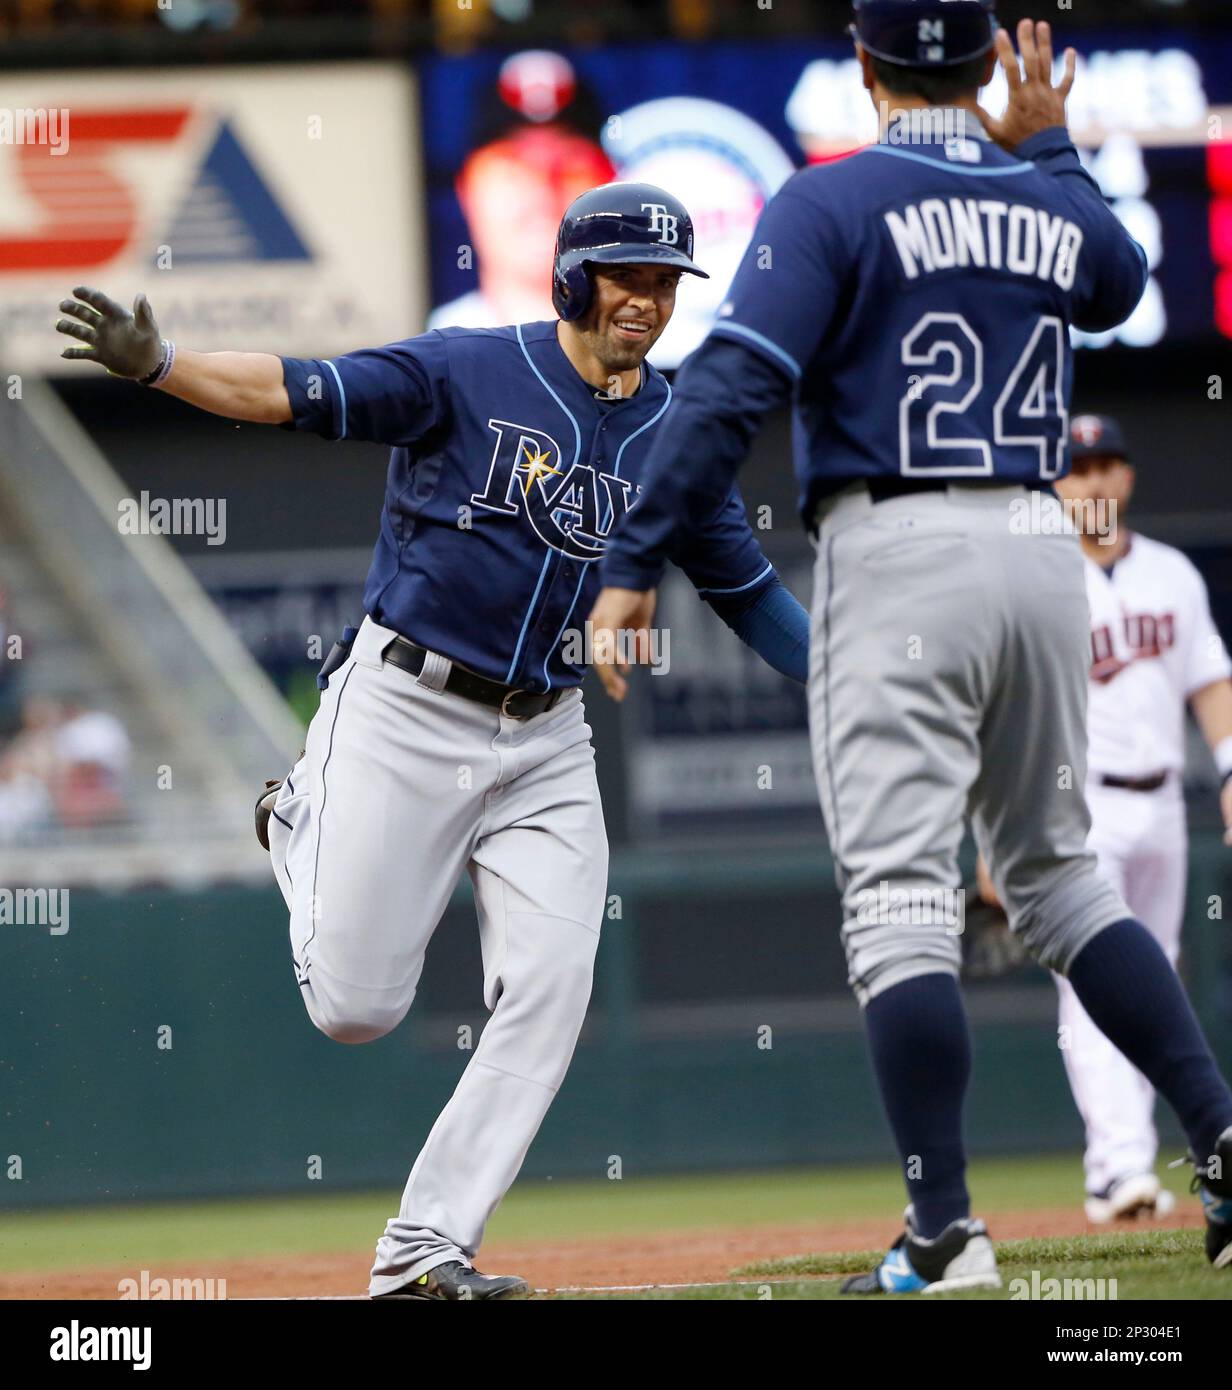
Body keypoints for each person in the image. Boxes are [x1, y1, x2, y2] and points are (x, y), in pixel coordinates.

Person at [55, 182, 810, 1300]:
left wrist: (844, 686)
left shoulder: (677, 431)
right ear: (569, 275)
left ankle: (422, 1251)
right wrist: (163, 367)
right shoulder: (467, 370)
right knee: (355, 1011)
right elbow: (289, 391)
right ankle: (292, 819)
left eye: (663, 283)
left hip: (548, 733)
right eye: (626, 277)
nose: (646, 302)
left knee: (552, 984)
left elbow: (747, 591)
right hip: (405, 705)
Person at [588, 4, 1232, 1290]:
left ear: (863, 65)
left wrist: (628, 560)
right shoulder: (1047, 196)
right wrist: (1045, 146)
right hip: (1044, 548)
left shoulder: (832, 201)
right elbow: (1118, 282)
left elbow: (723, 392)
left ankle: (943, 1229)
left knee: (898, 898)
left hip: (898, 543)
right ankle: (1219, 1139)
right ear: (992, 62)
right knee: (1057, 878)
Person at [1045, 414, 1232, 1222]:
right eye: (1077, 468)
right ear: (1055, 486)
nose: (1092, 480)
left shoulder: (1171, 575)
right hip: (1075, 807)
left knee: (1155, 973)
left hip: (1162, 803)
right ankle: (1117, 1167)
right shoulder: (1037, 579)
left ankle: (1136, 1159)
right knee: (1093, 983)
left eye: (1106, 464)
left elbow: (1211, 683)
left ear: (1126, 477)